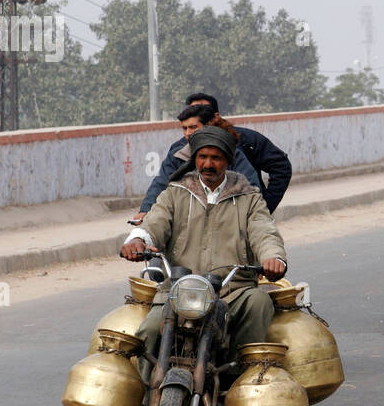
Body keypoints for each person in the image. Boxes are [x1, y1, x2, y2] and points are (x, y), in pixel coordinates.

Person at [120, 126, 288, 378]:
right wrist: (137, 240)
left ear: (228, 161)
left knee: (259, 302)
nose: (208, 164)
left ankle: (241, 380)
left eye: (216, 158)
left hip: (233, 291)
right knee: (151, 330)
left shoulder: (249, 197)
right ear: (194, 159)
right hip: (179, 289)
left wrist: (272, 257)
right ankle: (148, 400)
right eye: (202, 157)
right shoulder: (175, 193)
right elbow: (154, 222)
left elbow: (264, 231)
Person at [131, 92, 292, 224]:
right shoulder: (179, 152)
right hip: (190, 224)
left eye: (193, 127)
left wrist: (263, 208)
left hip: (234, 223)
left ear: (212, 120)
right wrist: (146, 211)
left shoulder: (242, 144)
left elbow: (255, 185)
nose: (188, 133)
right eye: (185, 127)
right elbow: (162, 182)